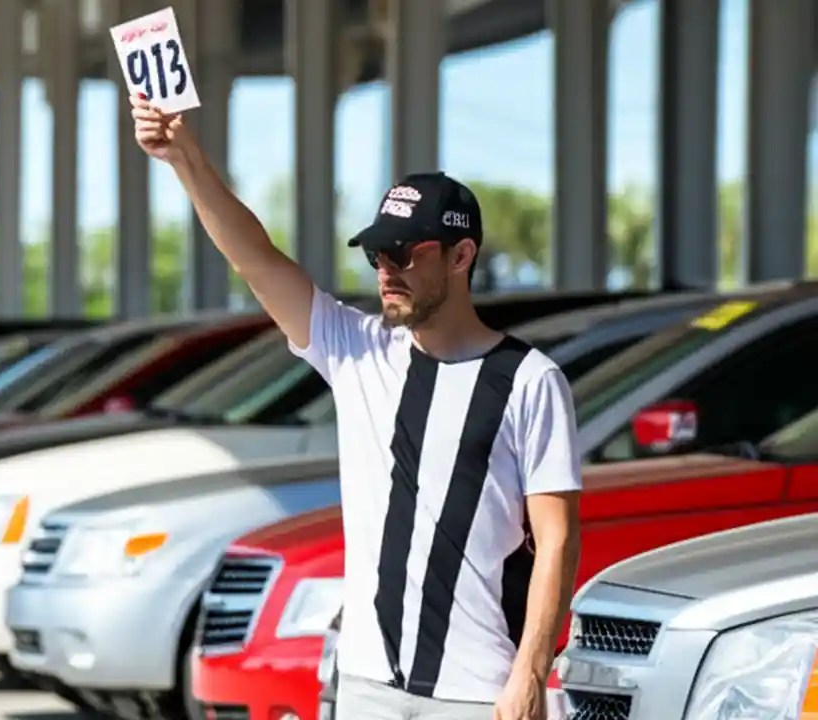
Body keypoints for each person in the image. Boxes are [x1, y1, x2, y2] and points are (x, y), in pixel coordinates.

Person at [130, 93, 581, 720]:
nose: (385, 271)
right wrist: (186, 161)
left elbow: (556, 543)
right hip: (366, 683)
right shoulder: (358, 351)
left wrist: (529, 674)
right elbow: (255, 261)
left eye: (403, 254)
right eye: (376, 255)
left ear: (460, 256)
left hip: (478, 693)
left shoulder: (532, 381)